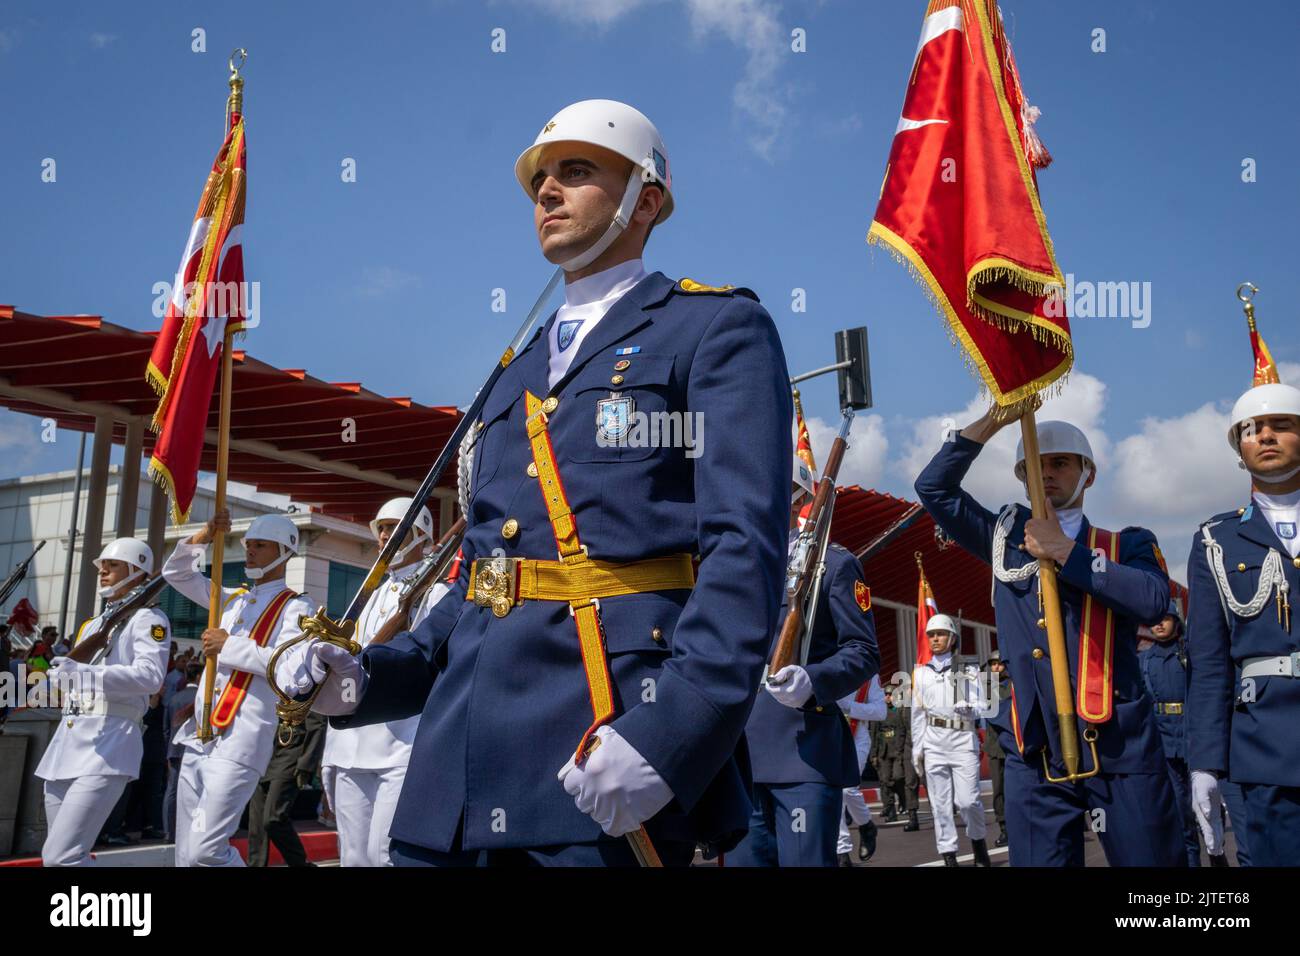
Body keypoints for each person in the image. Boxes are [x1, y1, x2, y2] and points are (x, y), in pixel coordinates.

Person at [300, 99, 793, 867]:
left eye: (577, 171)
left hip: (600, 746)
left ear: (645, 199)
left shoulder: (713, 330)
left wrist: (672, 736)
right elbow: (483, 582)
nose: (548, 192)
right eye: (540, 180)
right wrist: (366, 679)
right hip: (452, 775)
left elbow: (743, 552)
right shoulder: (515, 372)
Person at [916, 411, 1185, 866]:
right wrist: (992, 421)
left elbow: (1154, 600)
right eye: (1034, 465)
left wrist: (1064, 551)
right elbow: (934, 489)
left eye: (1061, 463)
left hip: (1118, 741)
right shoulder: (1003, 540)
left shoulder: (1125, 544)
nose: (1046, 473)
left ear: (1089, 473)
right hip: (1034, 746)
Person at [730, 454, 880, 867]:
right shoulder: (733, 567)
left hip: (803, 754)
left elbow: (864, 651)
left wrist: (813, 680)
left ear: (798, 500)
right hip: (739, 755)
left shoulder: (834, 565)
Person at [1187, 383, 1300, 867]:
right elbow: (1210, 661)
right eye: (1252, 431)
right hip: (1266, 744)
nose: (1266, 436)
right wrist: (1206, 762)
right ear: (1240, 449)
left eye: (1283, 424)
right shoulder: (1216, 539)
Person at [162, 508, 314, 867]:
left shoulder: (298, 608)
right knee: (186, 855)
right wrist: (205, 534)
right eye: (248, 544)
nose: (249, 551)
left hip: (242, 741)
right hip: (201, 736)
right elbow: (177, 574)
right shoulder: (231, 599)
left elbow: (292, 673)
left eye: (260, 545)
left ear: (284, 552)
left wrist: (228, 646)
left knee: (205, 851)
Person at [321, 497, 450, 866]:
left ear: (422, 535)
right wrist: (331, 754)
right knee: (354, 860)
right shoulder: (371, 593)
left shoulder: (435, 593)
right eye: (381, 528)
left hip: (401, 746)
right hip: (351, 747)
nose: (383, 536)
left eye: (395, 528)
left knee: (385, 857)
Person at [33, 538, 170, 866]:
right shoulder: (92, 626)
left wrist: (83, 675)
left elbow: (151, 676)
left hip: (109, 741)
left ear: (137, 571)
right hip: (68, 742)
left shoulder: (150, 620)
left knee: (60, 856)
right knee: (62, 855)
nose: (103, 572)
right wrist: (60, 678)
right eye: (102, 566)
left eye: (113, 566)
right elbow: (75, 682)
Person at [910, 614, 990, 866]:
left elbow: (985, 705)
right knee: (940, 805)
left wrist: (971, 708)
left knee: (968, 802)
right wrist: (917, 748)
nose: (935, 639)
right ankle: (948, 855)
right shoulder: (920, 673)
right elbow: (918, 714)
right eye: (931, 635)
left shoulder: (968, 668)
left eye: (940, 634)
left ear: (952, 638)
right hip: (934, 743)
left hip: (962, 740)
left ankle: (978, 842)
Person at [1138, 604, 1211, 866]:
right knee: (1179, 812)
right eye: (1155, 620)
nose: (1159, 624)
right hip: (1162, 741)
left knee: (1205, 809)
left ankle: (1216, 851)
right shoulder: (1143, 660)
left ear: (1176, 622)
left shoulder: (1190, 655)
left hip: (1194, 736)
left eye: (1165, 619)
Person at [248, 712, 326, 867]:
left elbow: (317, 724)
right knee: (256, 825)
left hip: (292, 752)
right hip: (264, 753)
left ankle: (301, 865)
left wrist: (306, 765)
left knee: (273, 819)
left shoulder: (306, 688)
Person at [837, 674, 886, 865]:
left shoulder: (867, 675)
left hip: (856, 735)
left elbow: (880, 711)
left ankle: (866, 825)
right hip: (828, 736)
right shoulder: (823, 661)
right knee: (835, 793)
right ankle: (842, 851)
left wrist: (850, 707)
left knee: (847, 789)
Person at [872, 681, 919, 829]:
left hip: (906, 747)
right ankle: (892, 810)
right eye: (885, 695)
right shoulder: (881, 711)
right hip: (888, 749)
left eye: (890, 694)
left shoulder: (904, 709)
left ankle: (911, 812)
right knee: (886, 780)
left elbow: (907, 729)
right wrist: (874, 753)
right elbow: (874, 733)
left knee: (905, 779)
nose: (888, 697)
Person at [163, 661, 201, 841]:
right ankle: (195, 831)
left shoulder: (174, 698)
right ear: (200, 677)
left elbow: (166, 729)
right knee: (197, 793)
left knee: (171, 792)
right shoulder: (202, 697)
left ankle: (169, 831)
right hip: (195, 749)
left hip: (174, 750)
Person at [981, 653, 1010, 847]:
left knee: (1018, 789)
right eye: (993, 664)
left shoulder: (1014, 684)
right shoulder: (983, 687)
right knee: (998, 790)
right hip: (994, 745)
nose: (996, 667)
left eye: (999, 664)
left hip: (1014, 744)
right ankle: (1004, 828)